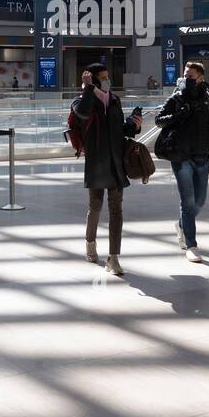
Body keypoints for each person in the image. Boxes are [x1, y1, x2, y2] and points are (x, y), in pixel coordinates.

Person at [155, 61, 209, 263]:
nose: (186, 79)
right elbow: (159, 120)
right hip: (181, 157)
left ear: (201, 77)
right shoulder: (176, 98)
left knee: (200, 201)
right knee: (188, 201)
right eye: (185, 75)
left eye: (190, 76)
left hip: (202, 156)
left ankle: (182, 225)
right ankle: (191, 244)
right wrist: (177, 115)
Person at [72, 63, 142, 276]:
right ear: (92, 79)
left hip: (116, 161)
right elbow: (82, 114)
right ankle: (90, 244)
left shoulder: (114, 99)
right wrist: (87, 89)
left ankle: (114, 258)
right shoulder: (81, 99)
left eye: (107, 76)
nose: (106, 80)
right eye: (102, 77)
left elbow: (119, 129)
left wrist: (134, 124)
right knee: (95, 206)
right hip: (96, 162)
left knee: (116, 210)